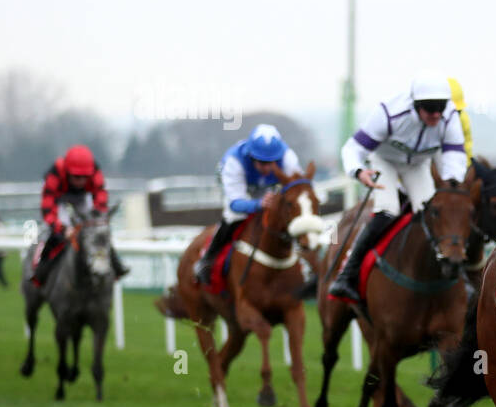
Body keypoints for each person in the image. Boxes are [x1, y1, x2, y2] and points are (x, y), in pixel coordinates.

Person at [328, 71, 469, 303]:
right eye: (429, 108)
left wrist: (452, 182)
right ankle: (347, 273)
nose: (435, 115)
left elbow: (454, 154)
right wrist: (358, 171)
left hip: (418, 164)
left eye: (439, 108)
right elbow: (352, 149)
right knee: (388, 210)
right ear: (415, 105)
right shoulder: (389, 114)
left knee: (433, 212)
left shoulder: (449, 115)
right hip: (385, 161)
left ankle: (452, 274)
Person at [194, 124, 303, 286]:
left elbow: (298, 190)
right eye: (261, 162)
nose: (266, 168)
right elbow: (235, 204)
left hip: (268, 188)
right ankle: (208, 259)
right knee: (234, 217)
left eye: (271, 162)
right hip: (240, 189)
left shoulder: (288, 158)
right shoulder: (234, 161)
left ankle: (304, 260)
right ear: (251, 156)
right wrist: (258, 204)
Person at [33, 144, 128, 285]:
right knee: (55, 235)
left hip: (83, 198)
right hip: (60, 199)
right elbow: (47, 208)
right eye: (77, 177)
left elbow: (101, 196)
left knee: (99, 232)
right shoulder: (55, 173)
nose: (81, 181)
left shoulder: (95, 171)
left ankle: (116, 265)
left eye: (85, 177)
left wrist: (97, 219)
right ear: (67, 172)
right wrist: (63, 229)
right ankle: (40, 271)